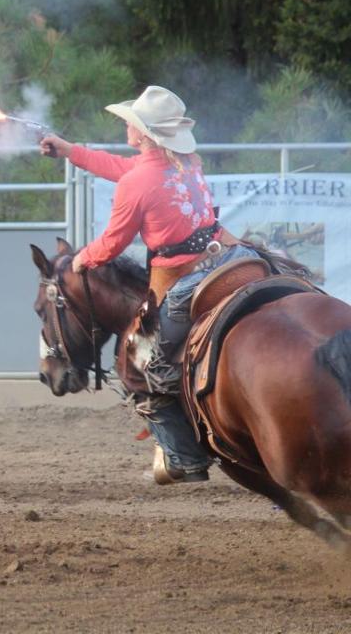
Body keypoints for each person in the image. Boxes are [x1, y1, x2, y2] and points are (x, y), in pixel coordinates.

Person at [39, 85, 258, 485]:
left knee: (140, 363)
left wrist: (77, 262)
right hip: (226, 256)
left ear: (144, 133)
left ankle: (184, 456)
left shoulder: (140, 181)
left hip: (182, 278)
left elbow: (110, 245)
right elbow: (124, 170)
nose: (126, 124)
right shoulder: (186, 160)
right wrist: (70, 151)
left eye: (131, 122)